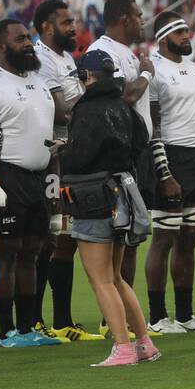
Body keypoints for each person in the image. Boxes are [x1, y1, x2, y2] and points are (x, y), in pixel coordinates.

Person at [59, 50, 160, 366]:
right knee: (116, 276)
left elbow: (81, 157)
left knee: (100, 278)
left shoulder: (86, 110)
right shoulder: (124, 106)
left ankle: (123, 348)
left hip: (93, 196)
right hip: (123, 193)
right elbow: (141, 140)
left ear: (86, 76)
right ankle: (143, 343)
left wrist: (66, 152)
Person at [0, 18, 63, 347]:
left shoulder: (39, 82)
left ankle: (28, 328)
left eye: (29, 37)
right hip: (8, 176)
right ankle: (6, 330)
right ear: (1, 47)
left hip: (39, 178)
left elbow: (49, 137)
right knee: (7, 252)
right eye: (21, 39)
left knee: (32, 251)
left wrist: (53, 182)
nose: (29, 43)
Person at [32, 0, 102, 343]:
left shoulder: (64, 57)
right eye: (66, 22)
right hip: (53, 158)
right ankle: (36, 320)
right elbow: (61, 113)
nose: (73, 27)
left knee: (65, 239)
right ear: (46, 26)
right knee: (51, 238)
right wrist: (94, 98)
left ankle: (61, 321)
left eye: (73, 21)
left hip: (72, 157)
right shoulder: (42, 59)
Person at [145, 10, 195, 333]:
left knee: (190, 238)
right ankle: (158, 317)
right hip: (169, 157)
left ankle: (184, 315)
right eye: (180, 33)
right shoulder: (153, 70)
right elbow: (153, 125)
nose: (187, 37)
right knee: (164, 239)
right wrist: (164, 172)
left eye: (188, 32)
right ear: (163, 37)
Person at [89, 0, 155, 323]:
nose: (143, 21)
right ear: (124, 18)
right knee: (118, 238)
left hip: (135, 154)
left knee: (131, 238)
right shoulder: (101, 53)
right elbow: (123, 95)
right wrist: (146, 75)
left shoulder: (125, 53)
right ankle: (112, 319)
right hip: (117, 157)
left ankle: (126, 316)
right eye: (139, 15)